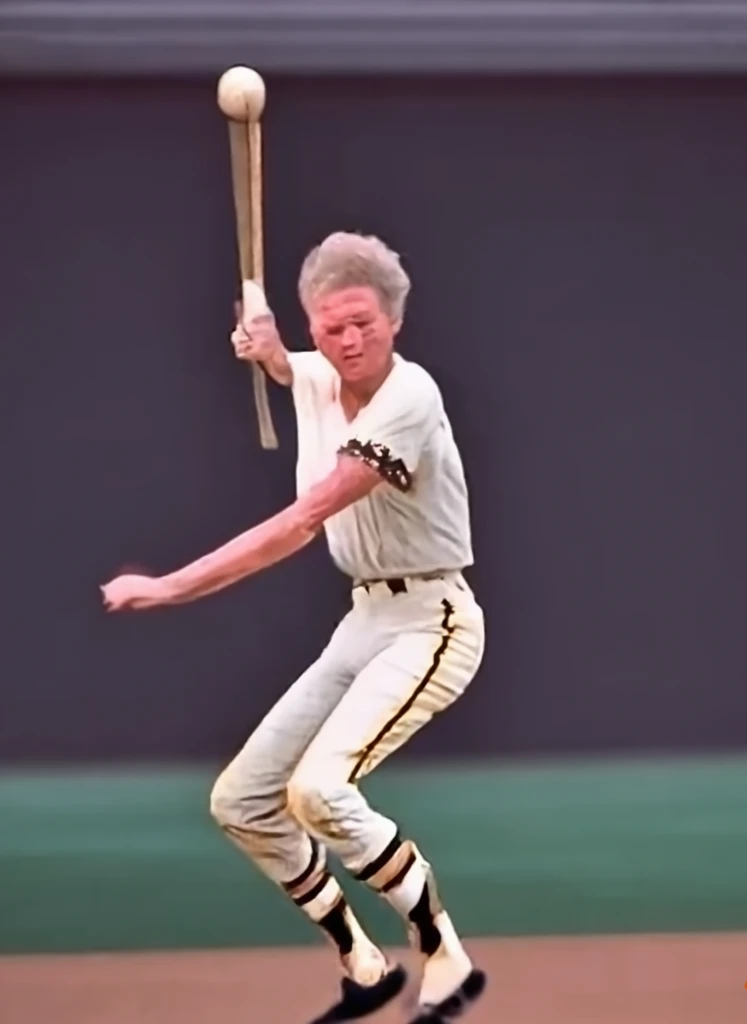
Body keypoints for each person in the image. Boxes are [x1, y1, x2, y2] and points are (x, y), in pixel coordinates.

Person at [100, 231, 487, 1023]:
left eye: (362, 323)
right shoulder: (317, 369)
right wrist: (269, 346)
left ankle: (444, 951)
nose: (348, 340)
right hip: (364, 620)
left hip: (432, 622)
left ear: (395, 322)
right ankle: (362, 961)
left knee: (318, 790)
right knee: (241, 800)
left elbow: (304, 519)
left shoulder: (409, 400)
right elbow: (290, 368)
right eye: (330, 325)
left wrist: (171, 585)